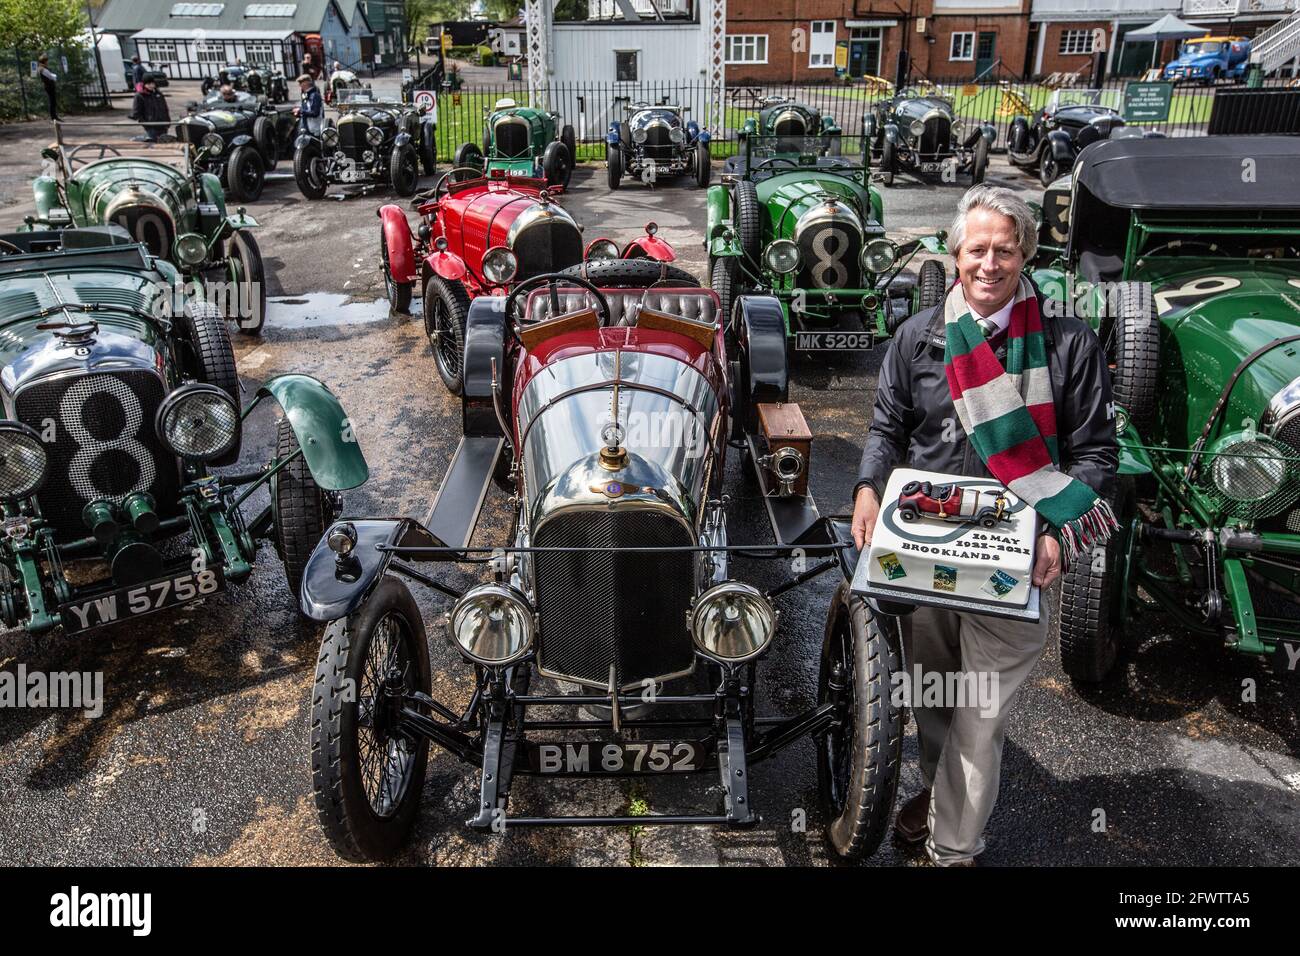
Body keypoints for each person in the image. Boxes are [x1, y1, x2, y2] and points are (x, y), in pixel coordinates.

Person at [852, 184, 1118, 866]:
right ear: (955, 253)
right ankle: (933, 804)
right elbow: (887, 428)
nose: (990, 264)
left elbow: (1096, 455)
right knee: (936, 704)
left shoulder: (1069, 343)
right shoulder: (917, 338)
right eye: (977, 250)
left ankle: (953, 851)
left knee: (980, 720)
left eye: (1005, 249)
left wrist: (1060, 533)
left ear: (1026, 252)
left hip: (1017, 560)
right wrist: (865, 488)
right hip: (927, 552)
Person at [129, 75, 170, 142]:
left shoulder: (158, 94)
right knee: (153, 141)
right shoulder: (140, 96)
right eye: (148, 84)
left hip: (163, 123)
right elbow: (137, 110)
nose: (151, 85)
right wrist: (136, 117)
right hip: (151, 125)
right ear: (144, 84)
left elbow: (165, 108)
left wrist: (168, 121)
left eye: (152, 83)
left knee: (163, 142)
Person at [37, 55, 58, 121]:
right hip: (49, 86)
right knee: (52, 101)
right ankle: (53, 117)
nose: (47, 62)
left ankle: (54, 116)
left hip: (49, 86)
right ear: (44, 61)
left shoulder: (43, 68)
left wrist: (53, 76)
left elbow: (50, 75)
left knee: (53, 101)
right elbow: (51, 76)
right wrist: (54, 76)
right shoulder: (42, 69)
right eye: (46, 61)